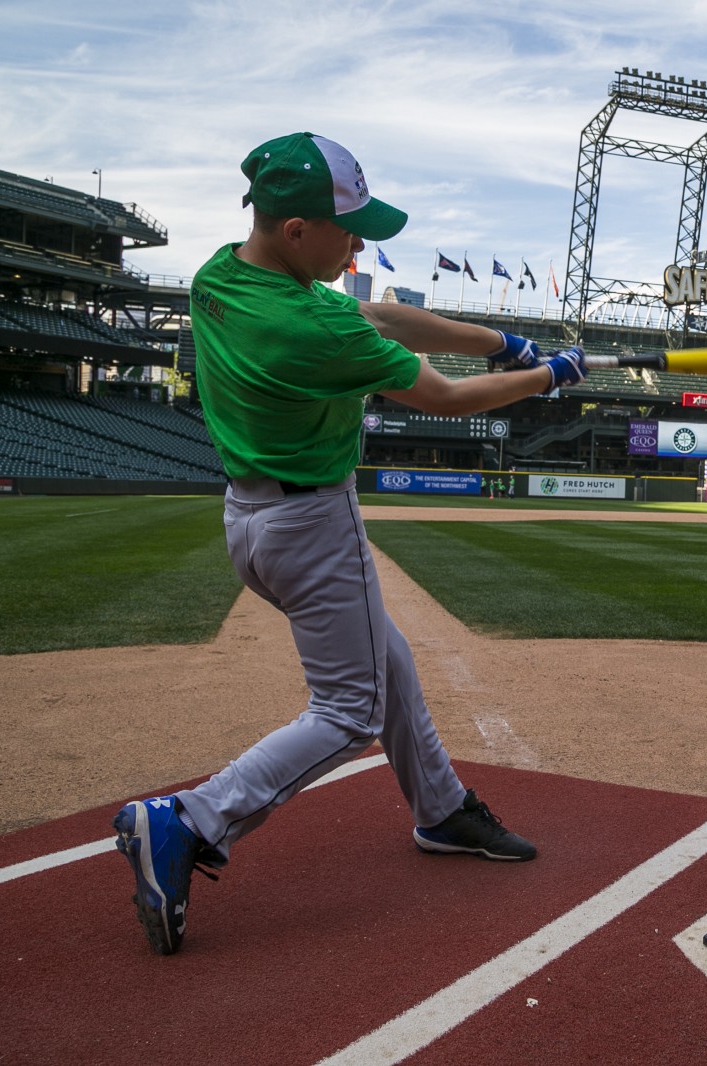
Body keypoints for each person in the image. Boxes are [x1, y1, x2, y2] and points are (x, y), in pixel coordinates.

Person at [111, 132, 587, 956]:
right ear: (296, 229)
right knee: (350, 709)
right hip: (313, 527)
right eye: (349, 229)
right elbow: (440, 397)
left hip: (252, 521)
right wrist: (548, 376)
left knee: (388, 664)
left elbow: (376, 311)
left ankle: (439, 810)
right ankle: (191, 819)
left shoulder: (224, 274)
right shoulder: (311, 332)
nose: (360, 243)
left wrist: (502, 341)